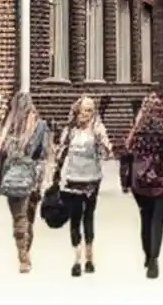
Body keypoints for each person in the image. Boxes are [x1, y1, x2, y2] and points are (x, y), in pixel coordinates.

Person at [125, 92, 163, 279]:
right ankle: (154, 259)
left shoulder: (139, 131)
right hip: (162, 181)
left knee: (145, 218)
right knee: (158, 221)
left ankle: (147, 255)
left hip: (141, 182)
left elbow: (128, 148)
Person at [0, 92, 50, 274]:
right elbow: (46, 155)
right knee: (28, 218)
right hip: (33, 176)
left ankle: (22, 253)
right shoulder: (40, 127)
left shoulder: (8, 128)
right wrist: (43, 179)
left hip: (12, 177)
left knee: (19, 217)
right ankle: (25, 252)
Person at [56, 95, 112, 277]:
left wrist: (101, 142)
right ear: (77, 110)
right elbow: (60, 152)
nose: (86, 113)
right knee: (74, 218)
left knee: (88, 217)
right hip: (72, 178)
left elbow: (107, 152)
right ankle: (76, 258)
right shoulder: (70, 129)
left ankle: (89, 257)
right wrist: (56, 172)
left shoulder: (97, 128)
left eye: (90, 110)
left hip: (92, 179)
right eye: (84, 109)